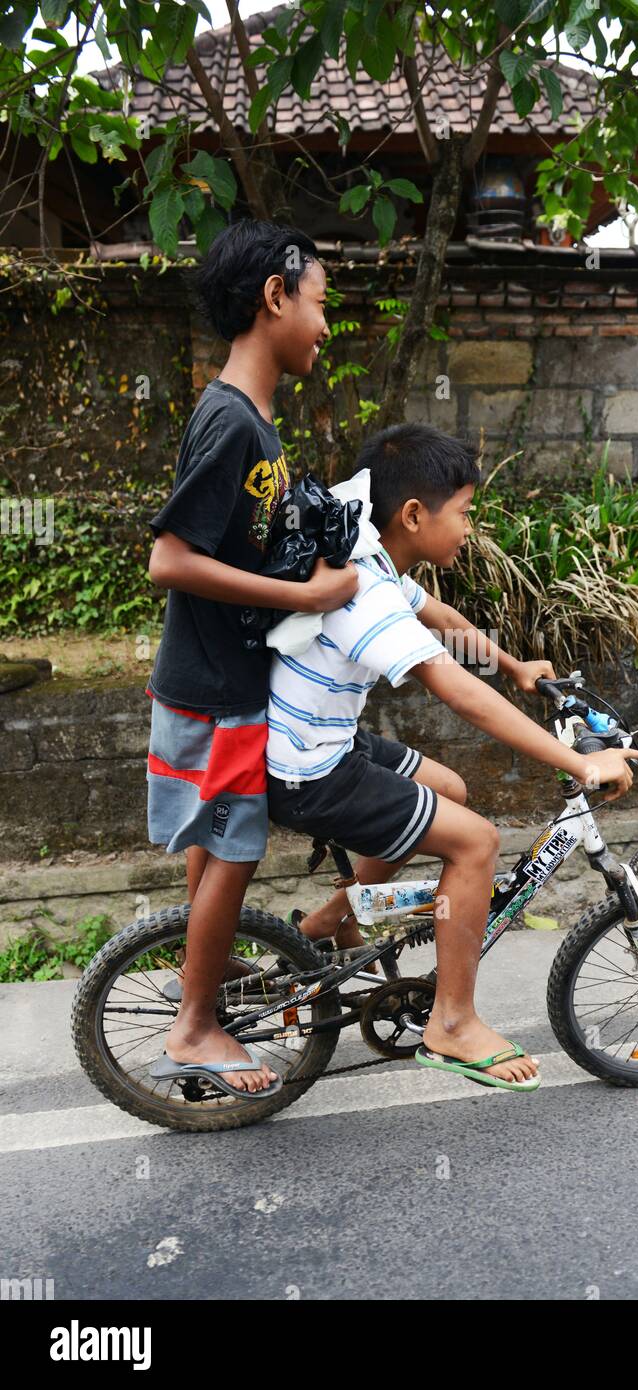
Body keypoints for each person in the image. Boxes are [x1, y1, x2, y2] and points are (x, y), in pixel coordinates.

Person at [267, 423, 638, 1092]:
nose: (470, 528)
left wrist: (516, 667)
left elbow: (433, 613)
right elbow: (456, 691)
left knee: (450, 789)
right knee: (476, 845)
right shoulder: (362, 589)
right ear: (414, 514)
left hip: (313, 736)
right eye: (465, 512)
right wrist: (582, 764)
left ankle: (331, 920)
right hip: (311, 768)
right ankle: (452, 1022)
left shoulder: (357, 521)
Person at [144, 219, 358, 1098]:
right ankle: (195, 1028)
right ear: (275, 297)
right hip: (212, 686)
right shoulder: (230, 418)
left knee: (216, 846)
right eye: (317, 303)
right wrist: (306, 598)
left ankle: (211, 978)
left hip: (223, 679)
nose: (324, 324)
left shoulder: (256, 421)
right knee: (234, 846)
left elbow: (236, 547)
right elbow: (172, 557)